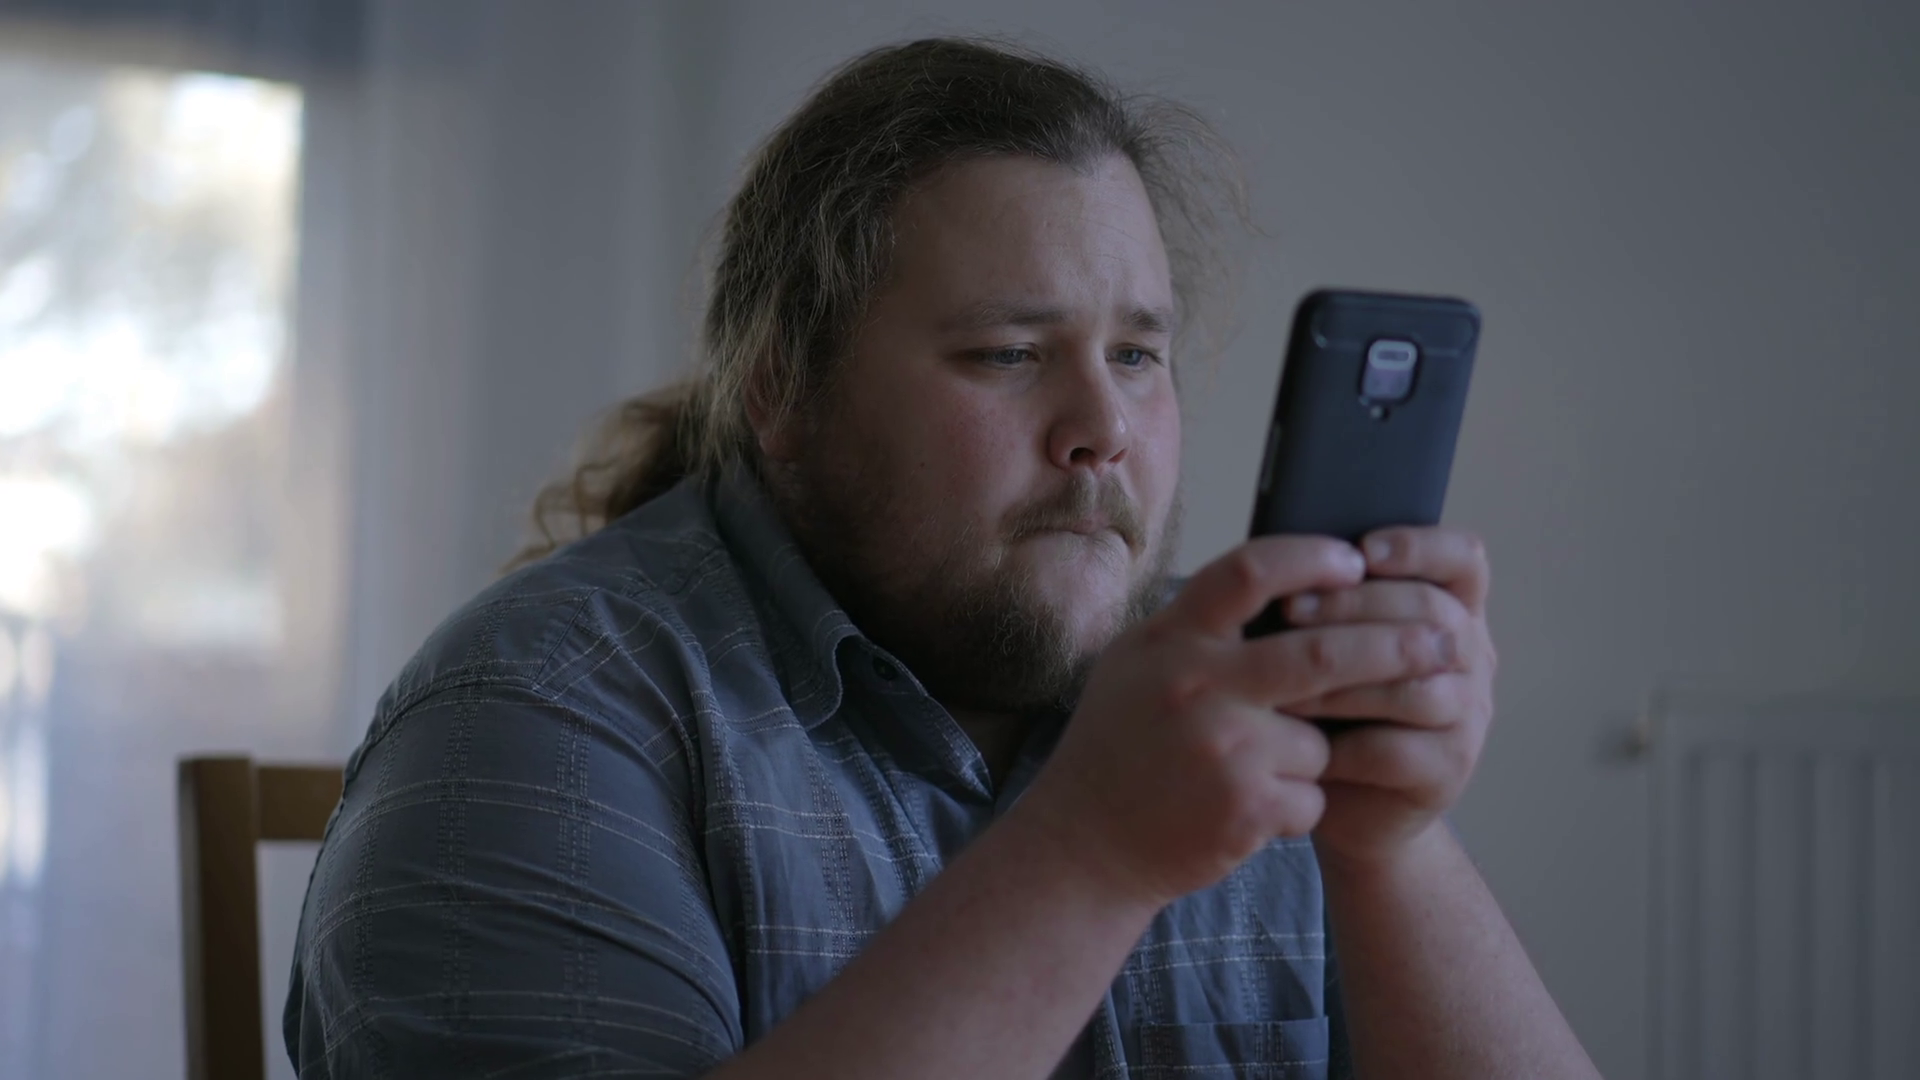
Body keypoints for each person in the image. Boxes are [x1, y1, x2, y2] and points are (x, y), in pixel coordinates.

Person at [284, 37, 1600, 1080]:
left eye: (1135, 354)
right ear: (784, 393)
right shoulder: (527, 720)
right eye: (1009, 354)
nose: (1104, 432)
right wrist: (1089, 855)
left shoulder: (1233, 704)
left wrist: (1392, 844)